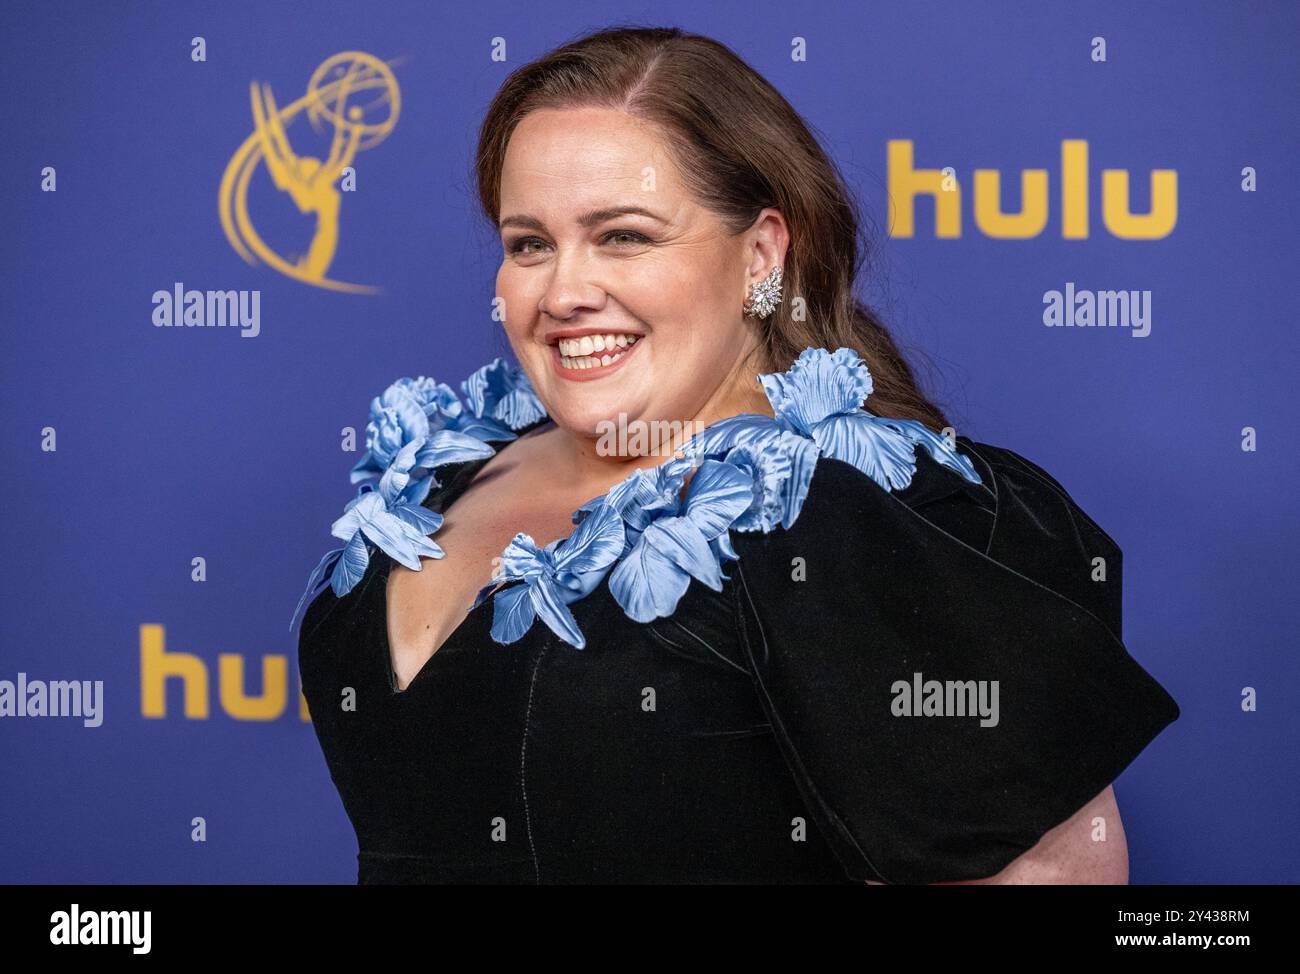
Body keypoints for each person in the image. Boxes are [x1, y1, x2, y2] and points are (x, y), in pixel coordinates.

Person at [293, 26, 1179, 884]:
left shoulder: (848, 516)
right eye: (529, 243)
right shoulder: (439, 476)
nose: (564, 290)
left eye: (624, 235)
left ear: (760, 253)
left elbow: (1054, 877)